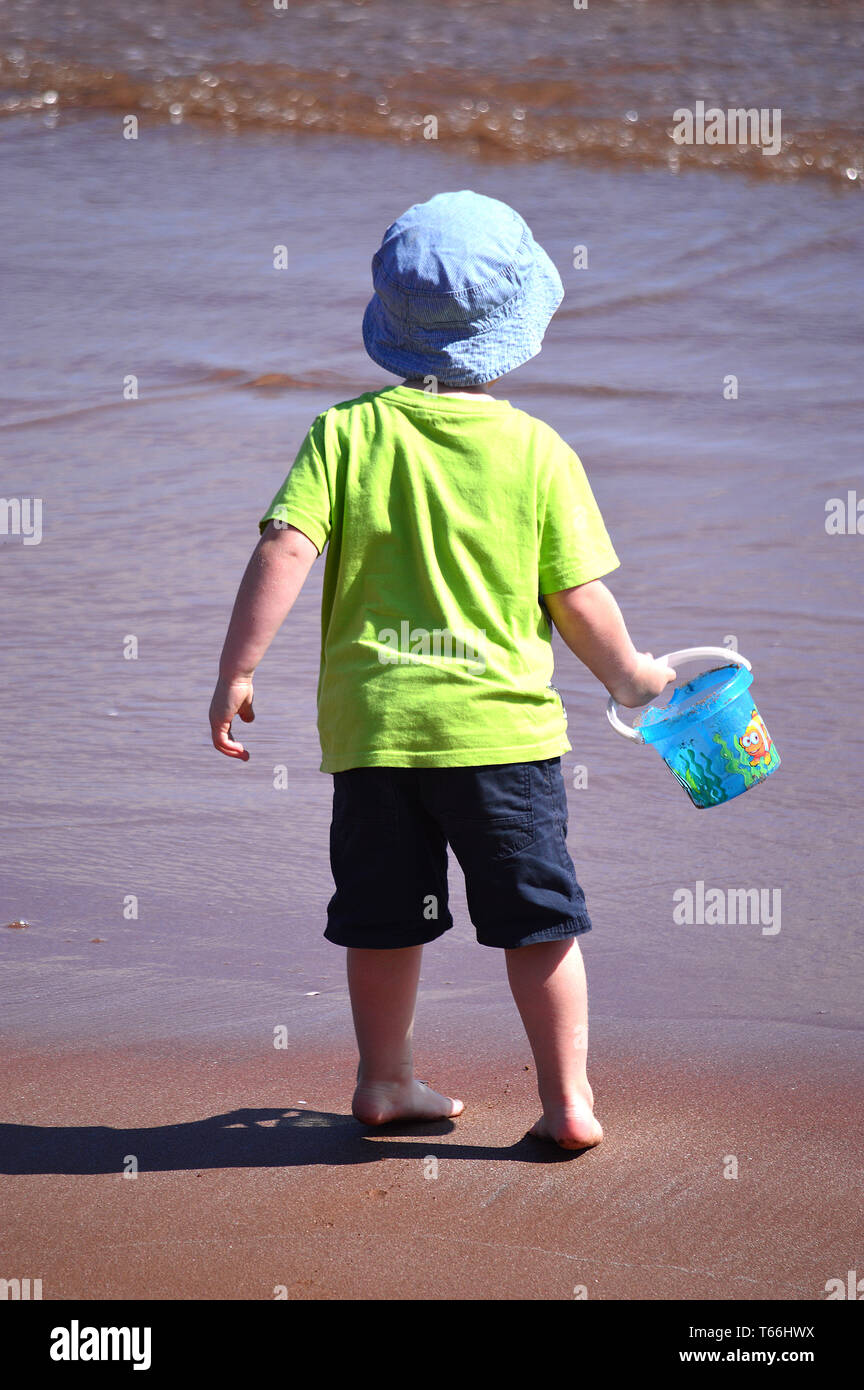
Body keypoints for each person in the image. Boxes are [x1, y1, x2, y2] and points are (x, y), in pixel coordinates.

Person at [209, 191, 675, 1150]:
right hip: (504, 740)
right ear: (518, 329)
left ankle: (383, 1081)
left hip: (377, 737)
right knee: (540, 923)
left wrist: (236, 670)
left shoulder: (343, 433)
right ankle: (567, 1102)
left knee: (383, 921)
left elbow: (284, 550)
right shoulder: (539, 451)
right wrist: (629, 678)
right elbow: (578, 600)